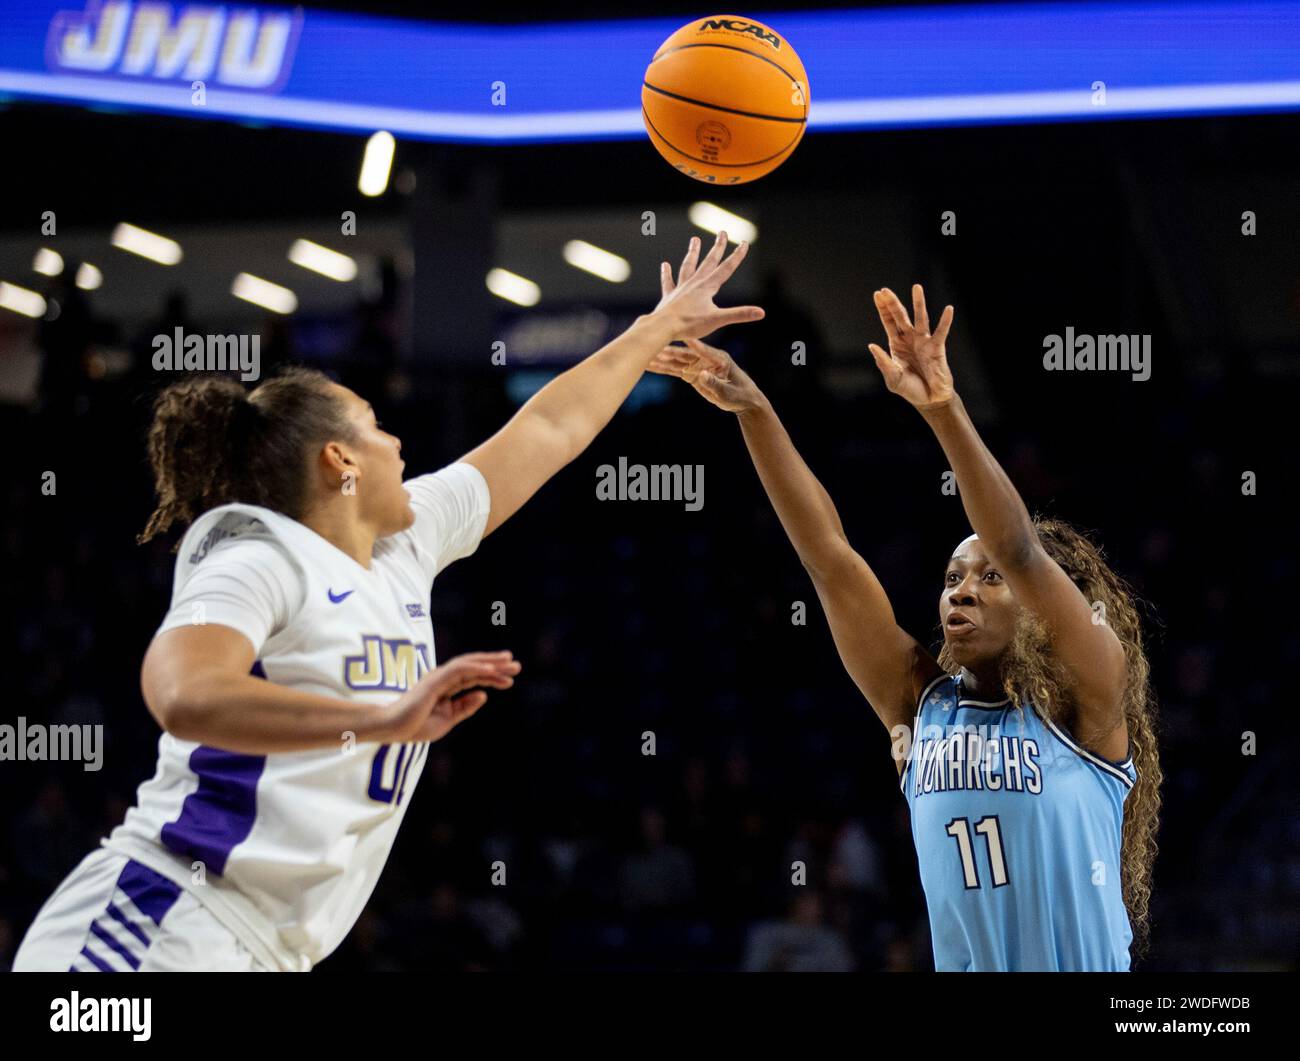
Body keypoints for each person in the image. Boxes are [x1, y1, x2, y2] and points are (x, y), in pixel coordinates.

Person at [13, 232, 762, 972]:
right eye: (376, 427)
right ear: (338, 461)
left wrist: (652, 327)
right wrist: (380, 719)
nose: (399, 442)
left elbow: (549, 426)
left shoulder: (405, 544)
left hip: (264, 951)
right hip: (157, 923)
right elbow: (182, 693)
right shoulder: (256, 556)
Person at [649, 281, 1160, 971]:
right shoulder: (920, 706)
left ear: (1040, 608)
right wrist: (757, 412)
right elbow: (829, 560)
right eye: (951, 578)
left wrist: (944, 409)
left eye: (985, 580)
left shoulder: (1087, 702)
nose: (962, 593)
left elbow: (1019, 547)